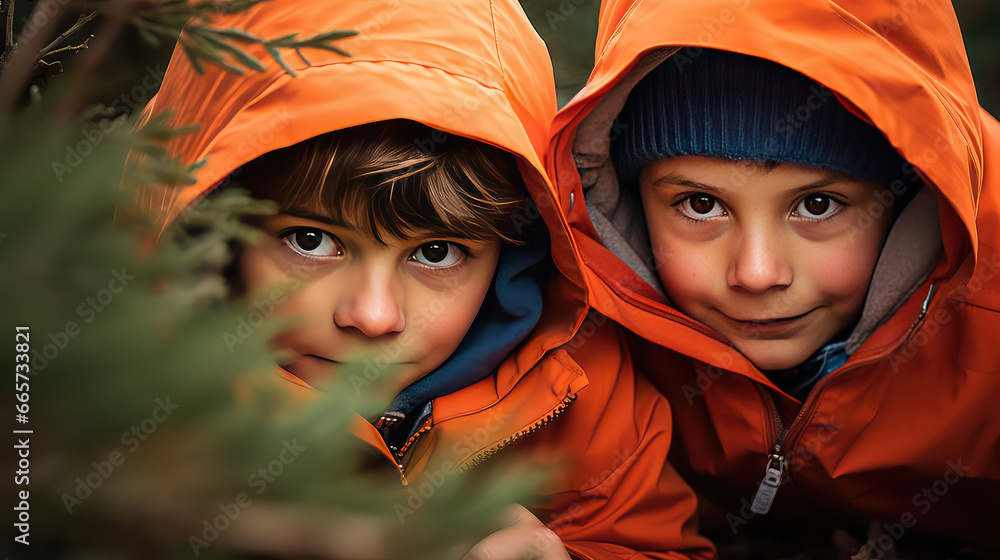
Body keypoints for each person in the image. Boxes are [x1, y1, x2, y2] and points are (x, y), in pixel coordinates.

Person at [132, 0, 714, 558]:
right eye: (311, 241)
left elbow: (652, 547)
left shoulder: (582, 387)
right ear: (212, 225)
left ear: (516, 254)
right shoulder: (109, 396)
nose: (373, 315)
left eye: (436, 253)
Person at [547, 0, 1000, 556]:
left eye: (815, 205)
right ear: (627, 201)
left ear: (909, 198)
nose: (758, 274)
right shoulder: (573, 312)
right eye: (700, 204)